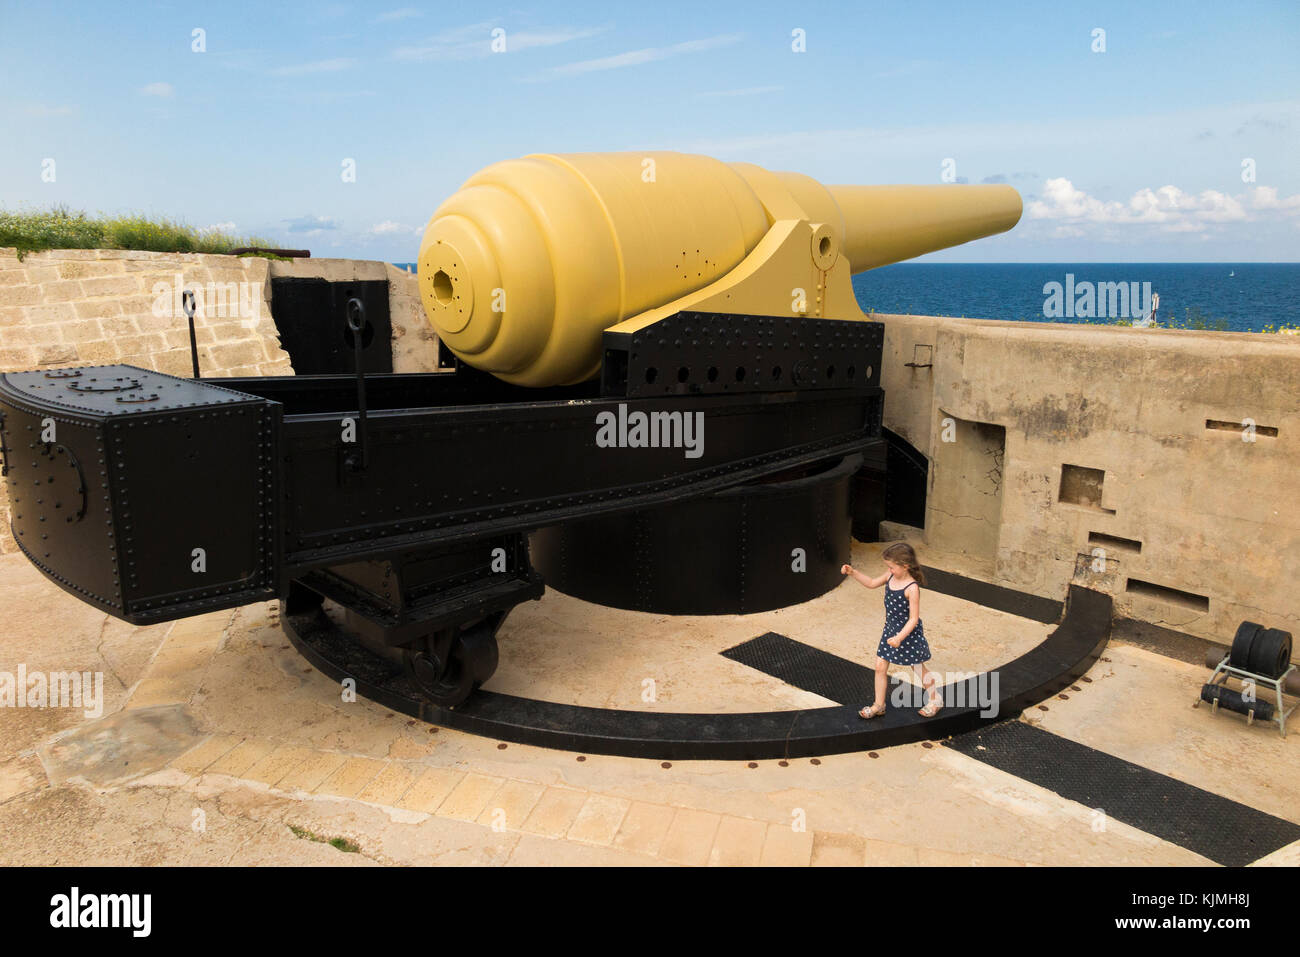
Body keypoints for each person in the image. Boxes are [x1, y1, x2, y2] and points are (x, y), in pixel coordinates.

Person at [841, 542, 943, 719]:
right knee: (880, 666)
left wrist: (900, 637)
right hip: (890, 630)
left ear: (905, 566)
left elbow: (913, 619)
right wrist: (853, 572)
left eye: (891, 566)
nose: (889, 569)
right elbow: (872, 583)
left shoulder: (911, 588)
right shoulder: (890, 576)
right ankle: (879, 705)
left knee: (917, 667)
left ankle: (935, 699)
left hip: (907, 634)